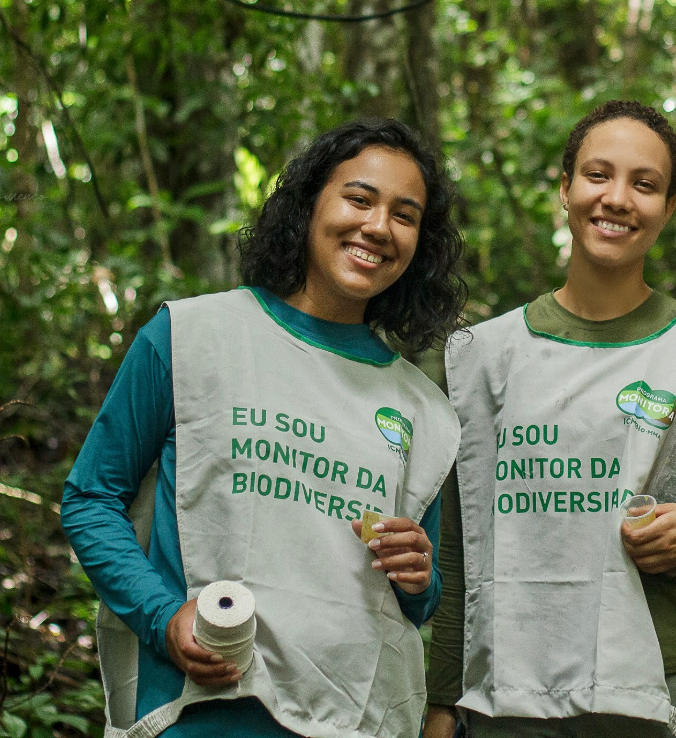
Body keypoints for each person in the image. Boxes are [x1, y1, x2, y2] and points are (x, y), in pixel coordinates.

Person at [61, 119, 466, 738]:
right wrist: (163, 616)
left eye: (404, 215)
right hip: (194, 711)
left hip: (350, 721)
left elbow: (417, 600)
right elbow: (91, 497)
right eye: (358, 199)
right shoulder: (191, 337)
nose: (378, 227)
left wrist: (419, 574)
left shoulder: (423, 410)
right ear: (308, 208)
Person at [425, 101, 676, 738]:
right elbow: (459, 536)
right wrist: (442, 697)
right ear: (566, 189)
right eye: (598, 175)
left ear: (670, 208)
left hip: (658, 672)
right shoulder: (484, 355)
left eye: (645, 183)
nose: (618, 199)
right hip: (512, 677)